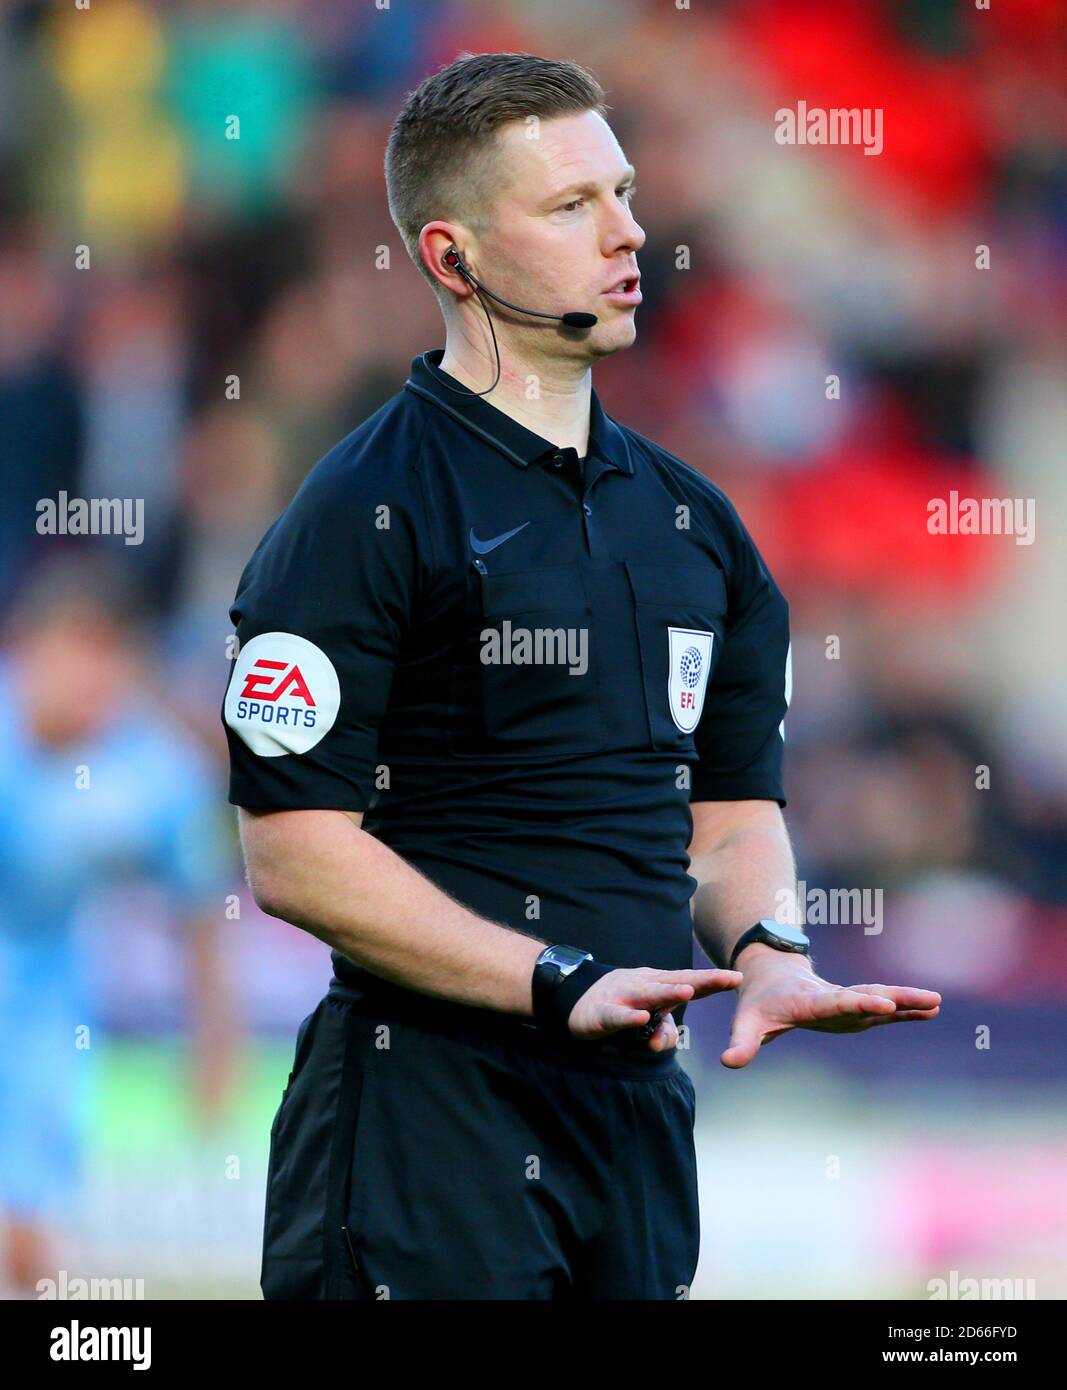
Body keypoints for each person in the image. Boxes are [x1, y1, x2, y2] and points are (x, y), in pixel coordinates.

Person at [222, 52, 941, 1301]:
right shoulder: (361, 511)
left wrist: (770, 953)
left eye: (622, 193)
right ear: (452, 258)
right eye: (571, 207)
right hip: (426, 1119)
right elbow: (294, 855)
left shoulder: (695, 524)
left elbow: (727, 819)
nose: (630, 232)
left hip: (637, 1116)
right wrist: (557, 983)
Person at [0, 556, 232, 1295]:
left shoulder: (151, 771)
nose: (92, 680)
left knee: (29, 1243)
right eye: (76, 649)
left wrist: (213, 1042)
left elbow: (201, 906)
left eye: (111, 657)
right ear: (24, 647)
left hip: (40, 1001)